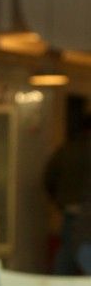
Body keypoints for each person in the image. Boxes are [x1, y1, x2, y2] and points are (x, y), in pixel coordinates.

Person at [43, 113, 91, 275]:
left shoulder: (66, 149)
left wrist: (58, 199)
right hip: (85, 210)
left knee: (68, 249)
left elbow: (48, 176)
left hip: (69, 207)